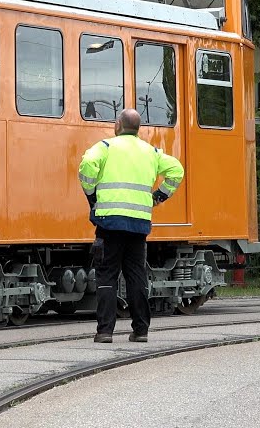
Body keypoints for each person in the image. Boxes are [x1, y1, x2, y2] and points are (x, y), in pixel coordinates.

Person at [78, 108, 183, 343]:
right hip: (138, 224)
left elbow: (87, 165)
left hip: (109, 222)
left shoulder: (105, 147)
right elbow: (177, 170)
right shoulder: (151, 152)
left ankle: (105, 331)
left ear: (118, 125)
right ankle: (141, 330)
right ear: (138, 129)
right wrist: (159, 196)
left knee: (107, 276)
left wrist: (91, 193)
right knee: (136, 276)